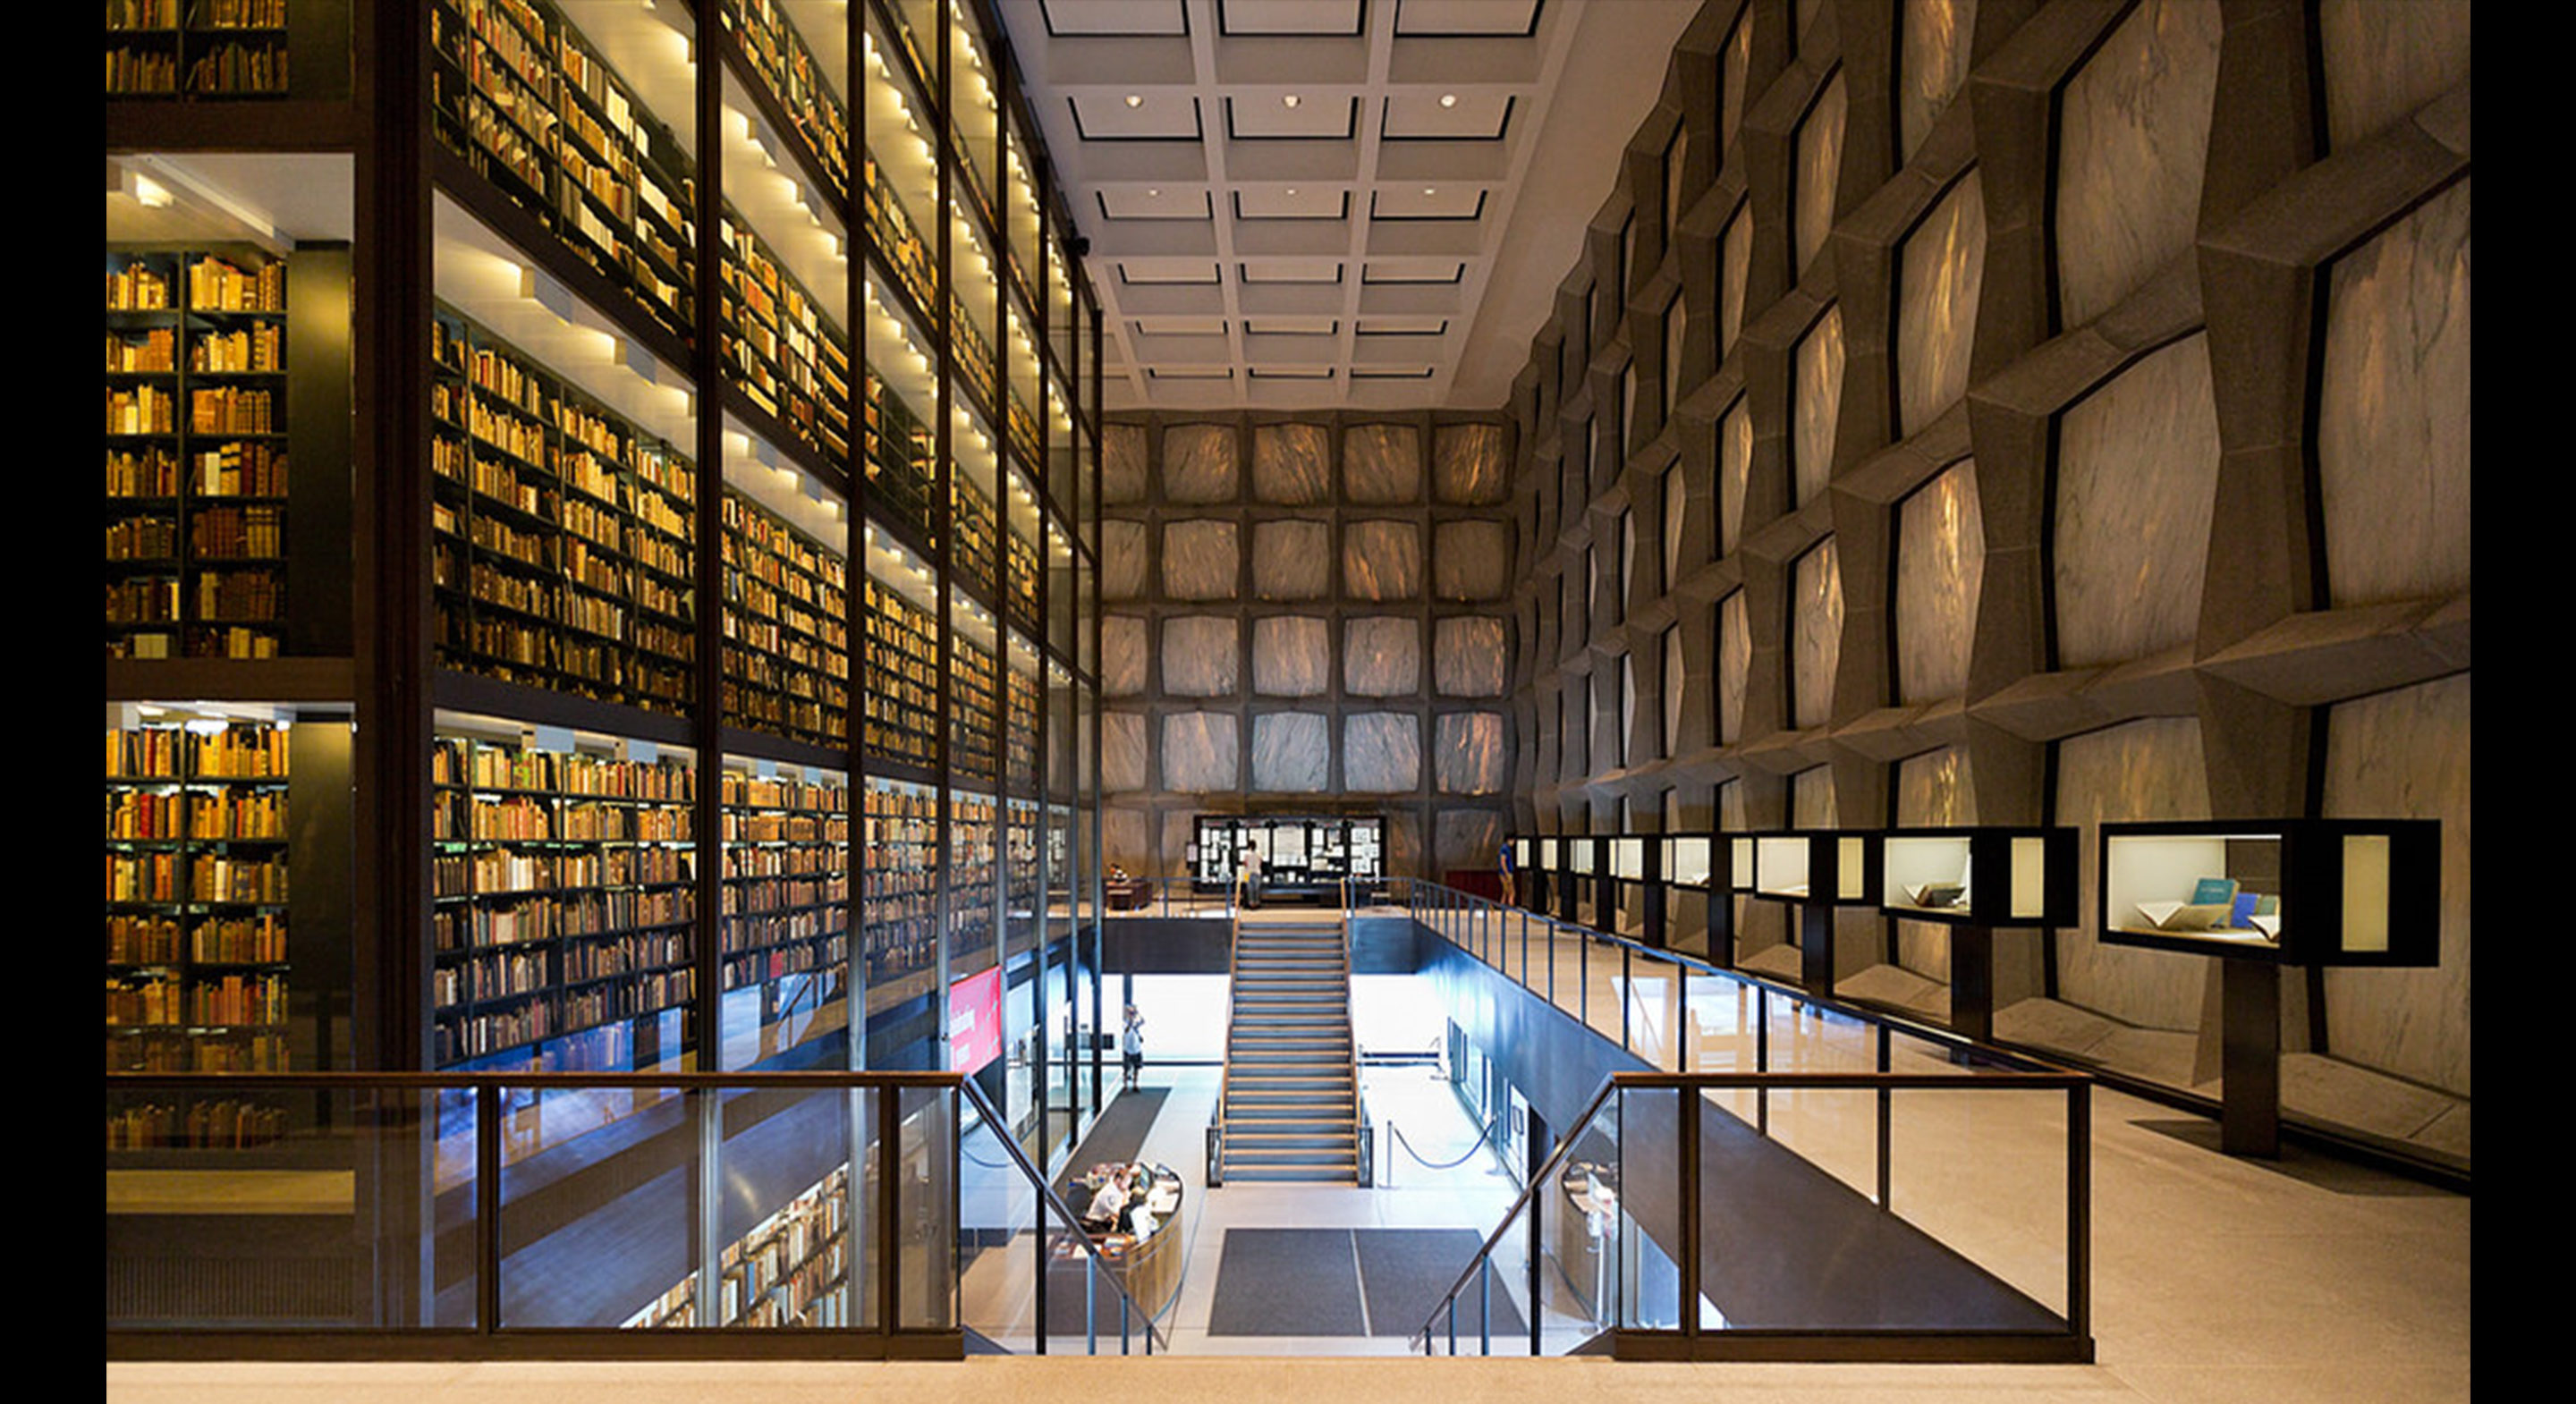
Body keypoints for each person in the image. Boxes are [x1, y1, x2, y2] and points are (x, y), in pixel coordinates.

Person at [1121, 1004, 1145, 1090]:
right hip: (1128, 1049)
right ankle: (1125, 1085)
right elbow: (1127, 1029)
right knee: (1126, 1069)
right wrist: (1130, 1017)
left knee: (1136, 1068)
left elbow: (1143, 1021)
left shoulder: (1135, 1024)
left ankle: (1135, 1084)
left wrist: (1137, 1013)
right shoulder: (1125, 1023)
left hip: (1136, 1049)